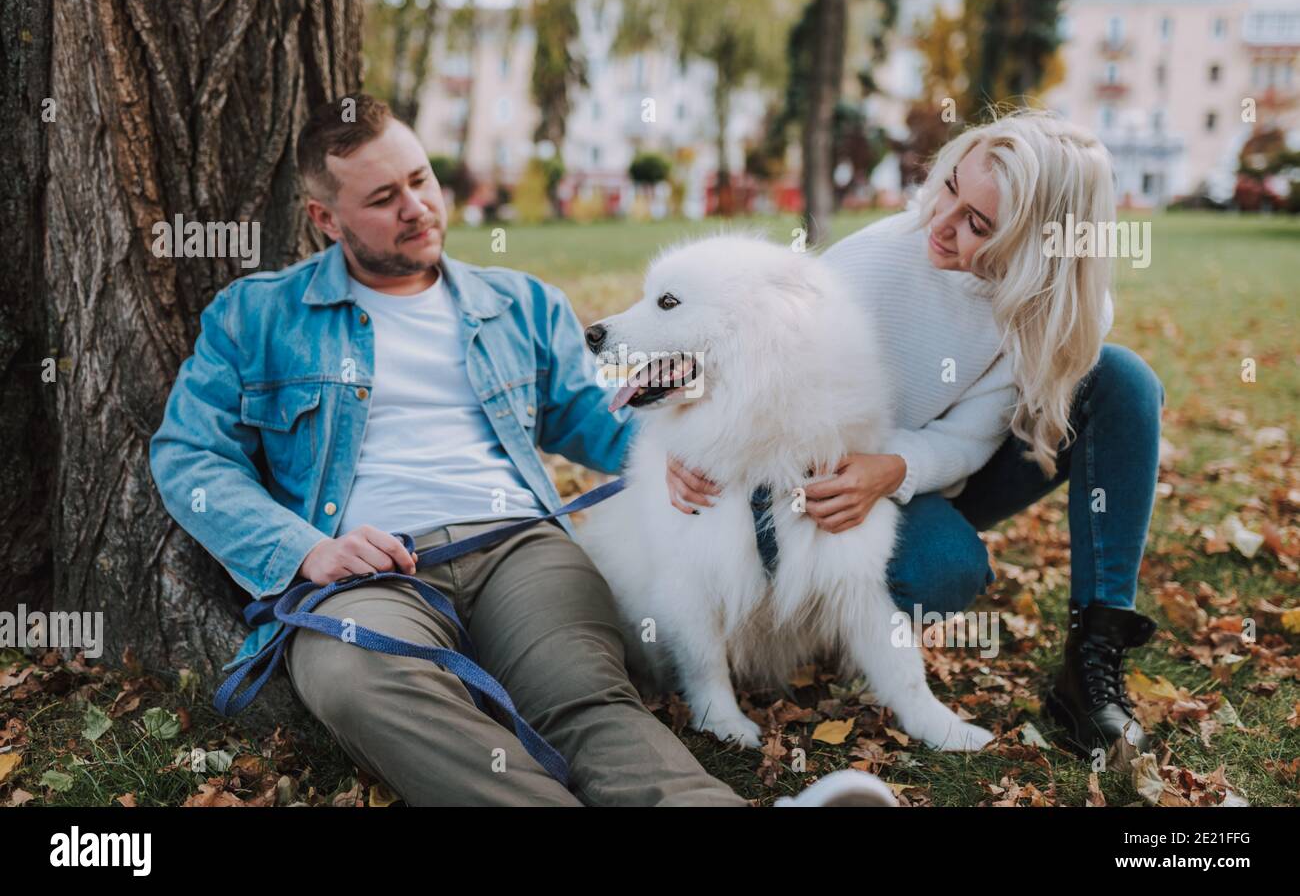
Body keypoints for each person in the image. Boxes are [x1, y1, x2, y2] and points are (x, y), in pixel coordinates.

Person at [149, 92, 894, 807]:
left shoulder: (519, 303)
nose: (416, 207)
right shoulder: (255, 315)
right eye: (382, 199)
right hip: (369, 569)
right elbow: (188, 456)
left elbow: (599, 418)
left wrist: (667, 448)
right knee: (350, 678)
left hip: (519, 547)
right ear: (324, 217)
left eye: (421, 179)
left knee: (586, 696)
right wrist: (304, 548)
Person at [667, 109, 1165, 759]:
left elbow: (972, 438)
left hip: (926, 468)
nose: (941, 222)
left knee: (1123, 380)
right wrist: (679, 429)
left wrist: (894, 468)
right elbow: (742, 341)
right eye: (951, 187)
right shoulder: (874, 265)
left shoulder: (1067, 305)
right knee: (944, 570)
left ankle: (1092, 661)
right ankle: (846, 612)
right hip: (823, 482)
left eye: (977, 224)